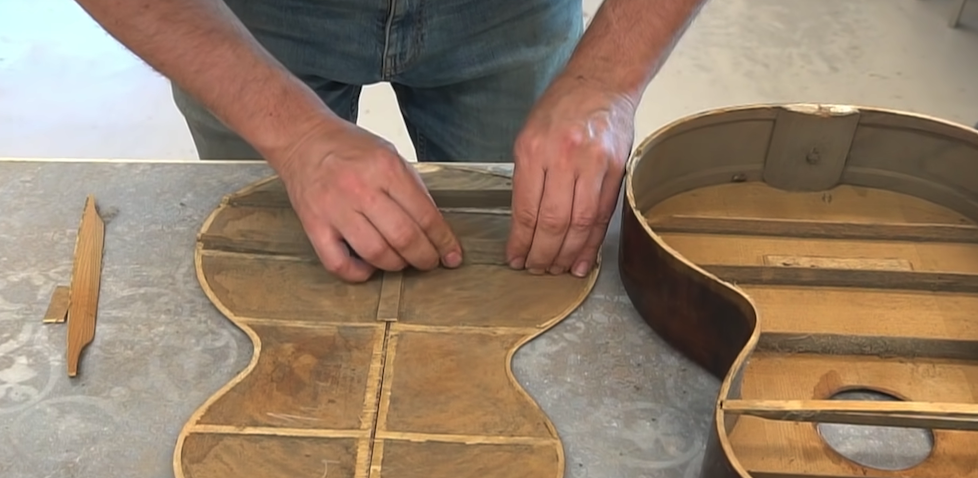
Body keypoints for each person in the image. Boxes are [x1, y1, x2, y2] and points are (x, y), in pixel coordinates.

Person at [74, 0, 709, 282]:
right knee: (271, 277)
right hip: (251, 17)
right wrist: (295, 137)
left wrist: (604, 82)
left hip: (508, 11)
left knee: (542, 260)